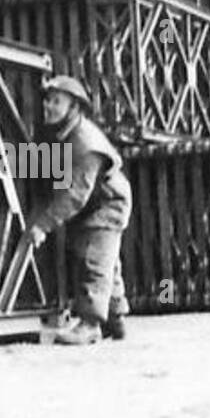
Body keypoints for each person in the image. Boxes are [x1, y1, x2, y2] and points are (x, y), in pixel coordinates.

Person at [20, 75, 132, 345]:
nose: (48, 106)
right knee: (107, 263)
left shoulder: (84, 141)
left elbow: (75, 194)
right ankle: (116, 321)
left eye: (57, 101)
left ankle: (90, 325)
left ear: (75, 107)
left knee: (94, 260)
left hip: (107, 204)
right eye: (47, 100)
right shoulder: (64, 135)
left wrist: (42, 226)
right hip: (95, 203)